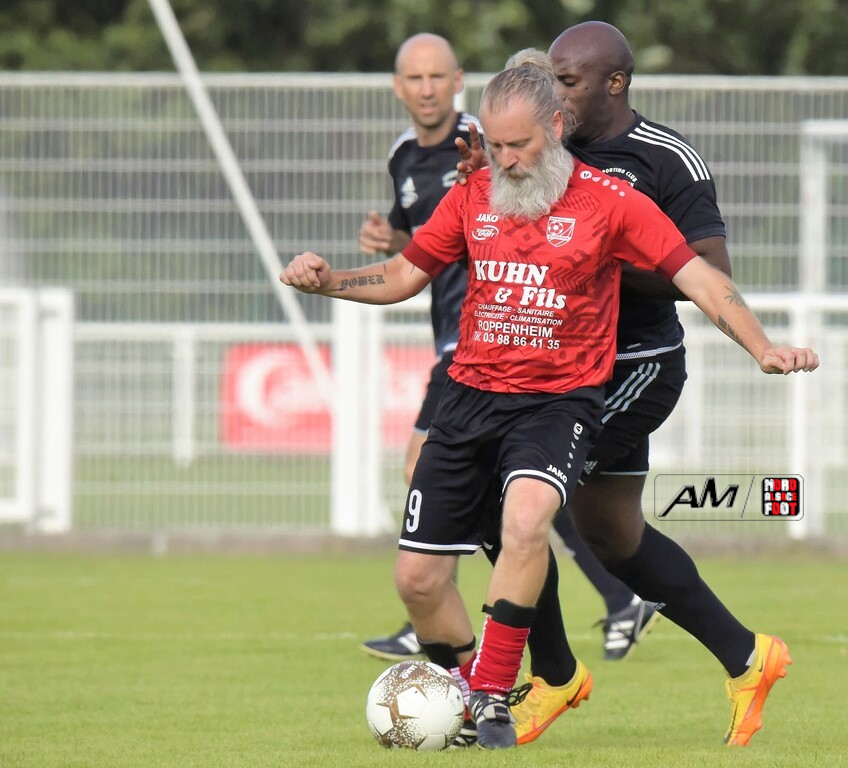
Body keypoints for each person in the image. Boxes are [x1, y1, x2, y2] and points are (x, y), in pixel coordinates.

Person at [279, 52, 818, 749]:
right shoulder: (471, 195)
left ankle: (497, 695)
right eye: (495, 145)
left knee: (528, 517)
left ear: (557, 128)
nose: (505, 160)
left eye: (519, 145)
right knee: (418, 580)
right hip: (468, 401)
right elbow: (403, 274)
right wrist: (328, 281)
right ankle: (477, 692)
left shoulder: (610, 201)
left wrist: (762, 346)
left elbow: (702, 278)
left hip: (558, 402)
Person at [453, 22, 797, 748]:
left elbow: (708, 267)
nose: (555, 92)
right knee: (611, 534)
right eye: (550, 78)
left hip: (632, 365)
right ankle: (748, 657)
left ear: (614, 83)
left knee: (502, 497)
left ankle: (551, 674)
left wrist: (604, 254)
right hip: (554, 367)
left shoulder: (665, 158)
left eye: (569, 80)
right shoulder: (545, 149)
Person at [354, 33, 658, 667]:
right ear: (398, 87)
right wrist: (387, 244)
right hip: (463, 339)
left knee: (468, 483)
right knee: (513, 497)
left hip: (499, 347)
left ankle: (456, 624)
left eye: (438, 77)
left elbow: (555, 199)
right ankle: (476, 607)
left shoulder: (494, 138)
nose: (427, 90)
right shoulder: (406, 156)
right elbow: (423, 249)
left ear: (459, 80)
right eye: (415, 78)